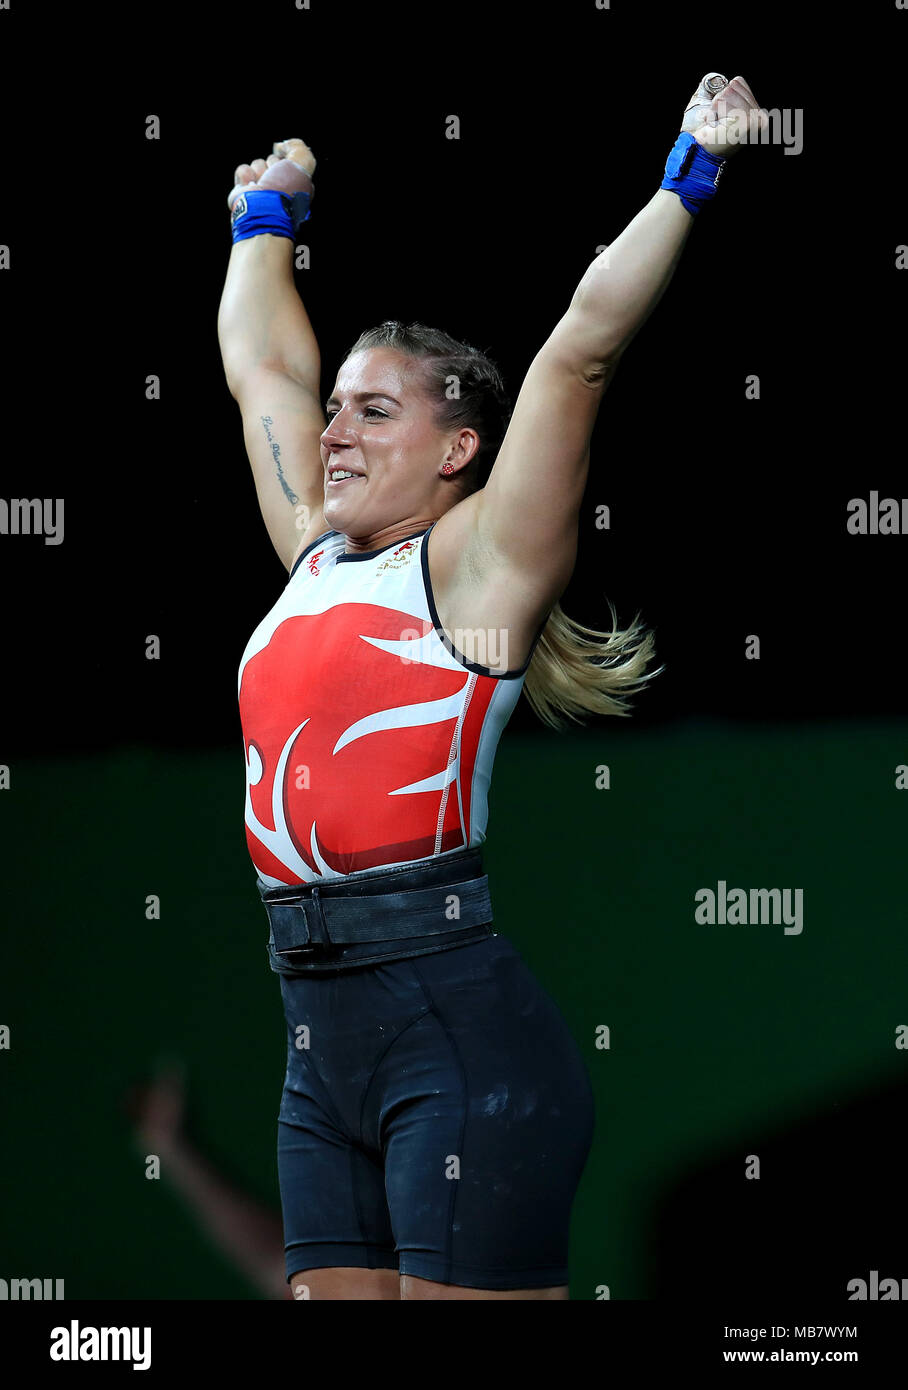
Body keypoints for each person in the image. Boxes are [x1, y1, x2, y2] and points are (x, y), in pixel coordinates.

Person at [217, 73, 767, 1301]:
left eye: (373, 411)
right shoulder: (313, 554)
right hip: (316, 1044)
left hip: (459, 1042)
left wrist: (691, 170)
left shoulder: (475, 570)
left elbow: (579, 349)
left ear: (459, 449)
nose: (332, 434)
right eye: (337, 411)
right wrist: (267, 219)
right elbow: (261, 369)